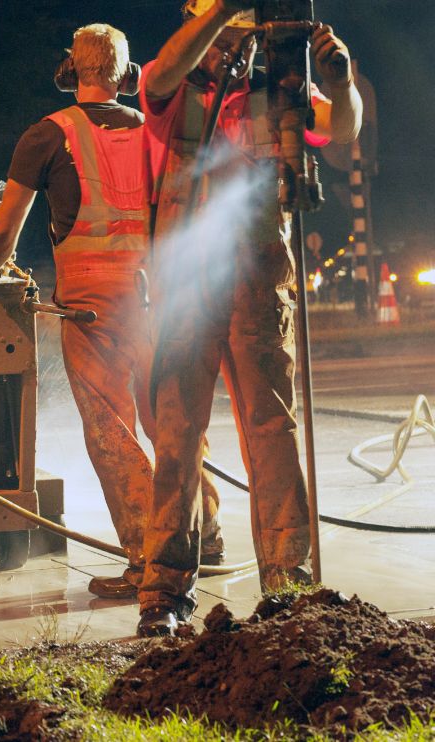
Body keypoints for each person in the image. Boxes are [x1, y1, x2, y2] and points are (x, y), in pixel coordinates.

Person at [0, 23, 224, 599]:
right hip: (161, 294)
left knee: (110, 427)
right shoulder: (156, 133)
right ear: (129, 76)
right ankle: (205, 530)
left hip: (93, 307)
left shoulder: (47, 135)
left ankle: (148, 556)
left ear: (69, 72)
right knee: (171, 419)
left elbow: (4, 230)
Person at [136, 0, 362, 636]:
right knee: (178, 429)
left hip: (258, 268)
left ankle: (288, 582)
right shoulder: (184, 78)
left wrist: (339, 80)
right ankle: (165, 590)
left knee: (270, 424)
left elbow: (340, 128)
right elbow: (158, 79)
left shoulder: (278, 79)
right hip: (188, 268)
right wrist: (225, 15)